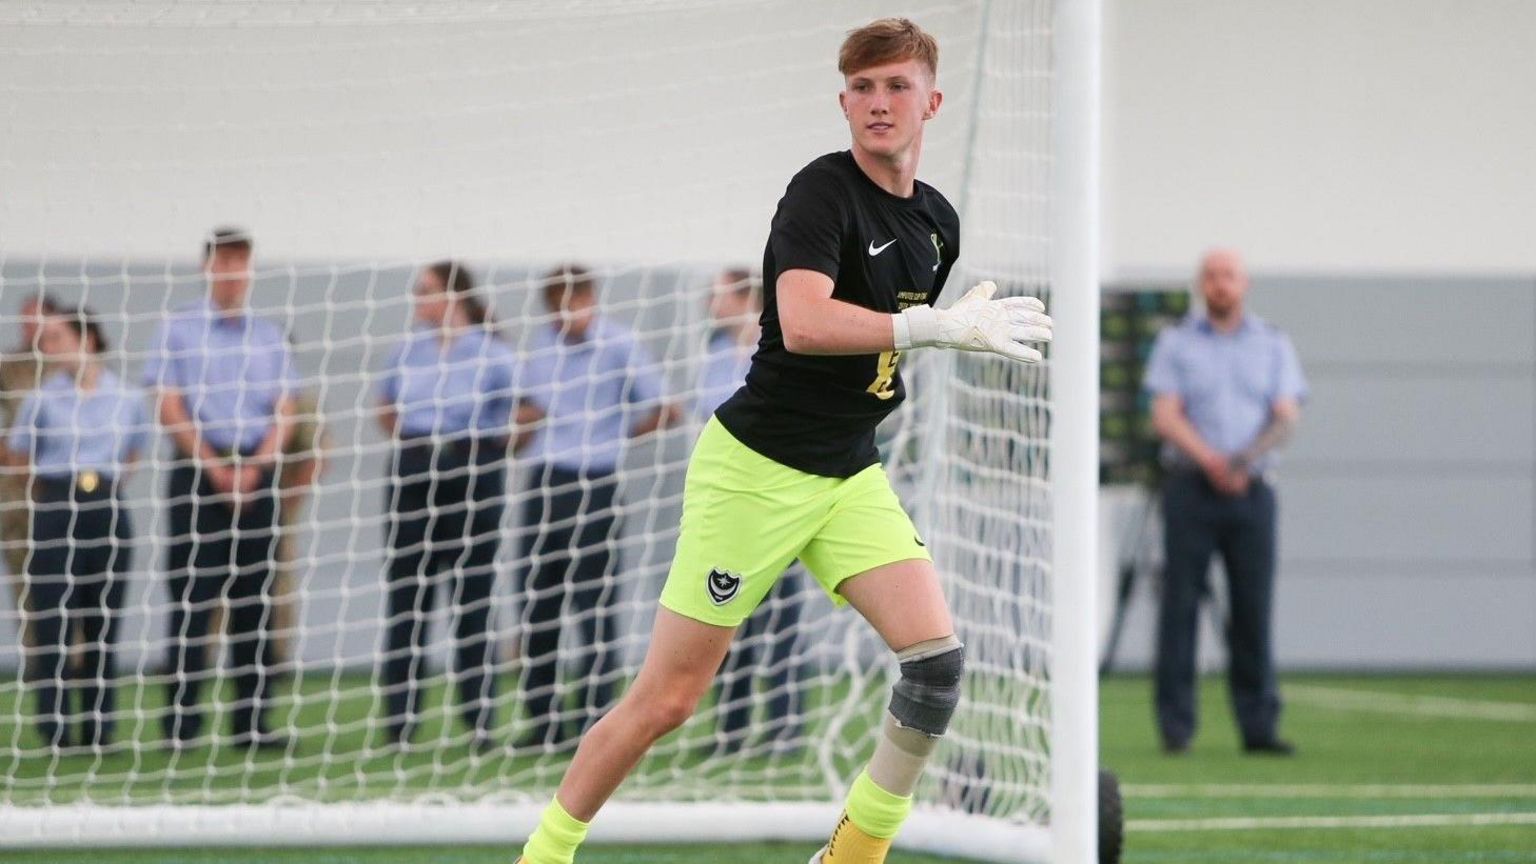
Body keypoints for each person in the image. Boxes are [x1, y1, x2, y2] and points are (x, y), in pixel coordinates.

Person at [515, 19, 1052, 864]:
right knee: (667, 701)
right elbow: (802, 324)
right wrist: (927, 328)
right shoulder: (820, 193)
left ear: (931, 102)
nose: (879, 103)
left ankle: (849, 858)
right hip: (755, 472)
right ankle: (541, 856)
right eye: (864, 88)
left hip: (847, 474)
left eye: (897, 86)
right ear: (843, 101)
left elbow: (883, 343)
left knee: (936, 668)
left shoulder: (938, 222)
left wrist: (928, 330)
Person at [1143, 248, 1307, 757]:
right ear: (1201, 284)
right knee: (1179, 609)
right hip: (1190, 489)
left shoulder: (1273, 344)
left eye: (1228, 276)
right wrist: (1213, 461)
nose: (1220, 284)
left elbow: (1285, 415)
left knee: (1252, 609)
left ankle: (1259, 727)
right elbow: (1165, 416)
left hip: (1252, 494)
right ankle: (1176, 728)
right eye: (1211, 276)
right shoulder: (1175, 343)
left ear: (1244, 283)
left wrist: (1240, 463)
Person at [143, 226, 299, 751]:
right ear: (209, 267)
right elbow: (169, 404)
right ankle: (182, 726)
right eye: (225, 263)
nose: (234, 274)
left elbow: (285, 409)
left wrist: (256, 465)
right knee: (192, 597)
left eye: (242, 263)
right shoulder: (177, 330)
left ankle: (252, 722)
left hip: (257, 477)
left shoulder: (269, 336)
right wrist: (214, 466)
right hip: (198, 474)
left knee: (255, 600)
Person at [513, 263, 680, 751]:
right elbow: (526, 409)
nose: (566, 316)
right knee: (539, 605)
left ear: (590, 298)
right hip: (545, 482)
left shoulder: (619, 345)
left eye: (573, 303)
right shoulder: (540, 348)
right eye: (556, 307)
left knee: (594, 607)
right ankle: (542, 723)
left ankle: (593, 721)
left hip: (597, 483)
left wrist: (615, 436)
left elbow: (666, 407)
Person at [375, 260, 528, 752]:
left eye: (426, 290)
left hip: (472, 474)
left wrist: (494, 448)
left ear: (453, 295)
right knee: (407, 603)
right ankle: (400, 724)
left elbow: (528, 406)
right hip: (416, 474)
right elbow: (385, 406)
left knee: (473, 602)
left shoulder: (492, 353)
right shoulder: (407, 351)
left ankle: (479, 721)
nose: (418, 300)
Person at [4, 306, 150, 748]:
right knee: (53, 619)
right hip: (55, 504)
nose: (49, 349)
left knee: (102, 618)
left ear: (86, 341)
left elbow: (133, 454)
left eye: (57, 339)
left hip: (105, 505)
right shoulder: (41, 399)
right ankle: (54, 726)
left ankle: (100, 726)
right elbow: (19, 456)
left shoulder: (127, 397)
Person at [694, 267, 805, 756]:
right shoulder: (716, 356)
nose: (708, 304)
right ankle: (731, 732)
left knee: (780, 623)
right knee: (726, 619)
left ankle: (785, 729)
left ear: (743, 298)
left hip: (780, 501)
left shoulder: (783, 348)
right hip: (732, 503)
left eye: (717, 295)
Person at [0, 293, 61, 668]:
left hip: (60, 489)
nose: (31, 327)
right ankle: (37, 663)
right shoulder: (10, 369)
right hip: (17, 495)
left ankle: (76, 662)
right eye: (25, 320)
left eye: (37, 319)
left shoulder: (70, 366)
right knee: (24, 579)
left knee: (70, 579)